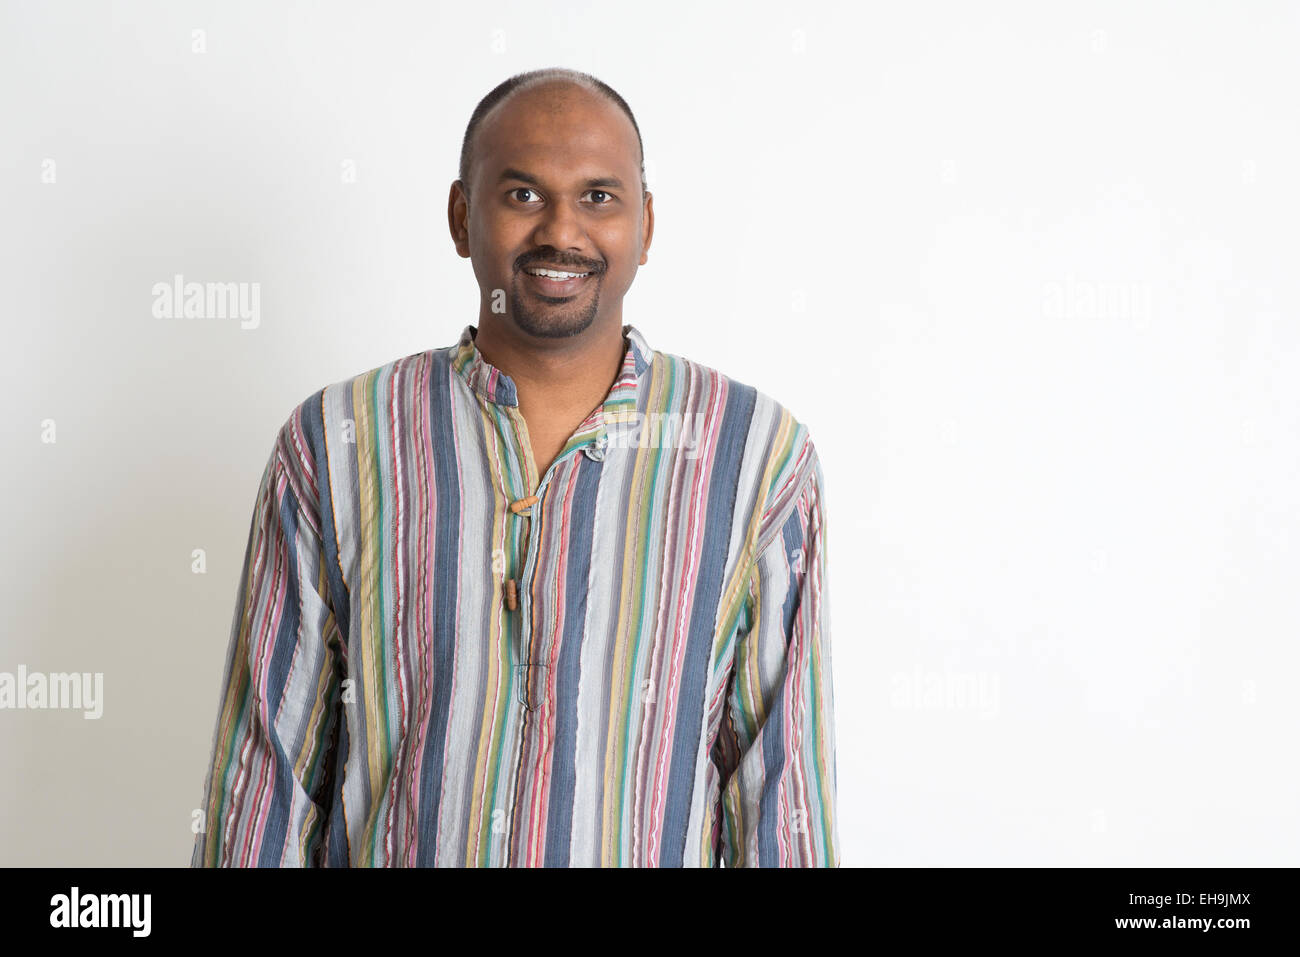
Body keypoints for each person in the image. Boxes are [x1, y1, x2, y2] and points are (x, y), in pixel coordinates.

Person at [191, 67, 838, 867]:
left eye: (599, 196)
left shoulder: (754, 457)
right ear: (463, 216)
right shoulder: (336, 441)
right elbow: (265, 781)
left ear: (646, 225)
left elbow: (782, 796)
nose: (561, 231)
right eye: (523, 194)